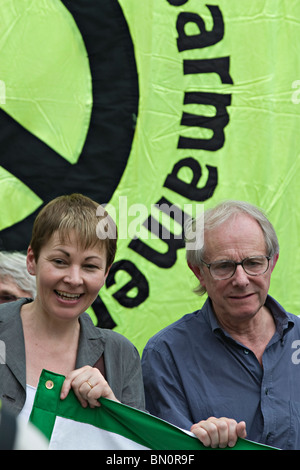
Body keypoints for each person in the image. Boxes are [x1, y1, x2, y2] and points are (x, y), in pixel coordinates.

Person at [142, 200, 300, 450]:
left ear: (273, 263)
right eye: (224, 266)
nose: (241, 279)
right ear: (198, 272)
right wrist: (198, 444)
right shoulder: (166, 355)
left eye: (253, 263)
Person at [0, 193, 145, 426]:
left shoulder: (121, 354)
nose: (74, 279)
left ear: (106, 274)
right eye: (60, 261)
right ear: (32, 260)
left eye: (89, 266)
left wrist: (112, 411)